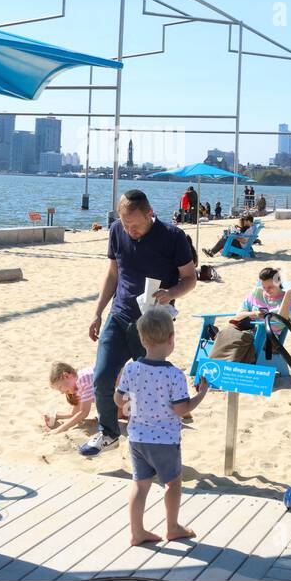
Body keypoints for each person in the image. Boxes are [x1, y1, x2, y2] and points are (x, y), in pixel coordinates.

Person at [83, 189, 196, 457]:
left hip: (154, 323)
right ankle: (109, 433)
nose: (129, 230)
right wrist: (98, 312)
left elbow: (190, 278)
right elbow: (113, 273)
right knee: (102, 377)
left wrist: (171, 293)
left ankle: (161, 443)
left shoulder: (173, 237)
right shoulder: (116, 231)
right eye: (125, 225)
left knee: (153, 388)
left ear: (150, 213)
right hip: (119, 315)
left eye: (135, 225)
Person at [115, 306, 210, 545]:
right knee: (173, 483)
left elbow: (119, 399)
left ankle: (137, 531)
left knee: (140, 484)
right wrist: (202, 394)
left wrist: (132, 406)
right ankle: (173, 527)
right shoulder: (174, 374)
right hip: (165, 440)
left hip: (136, 437)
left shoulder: (132, 368)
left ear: (142, 338)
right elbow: (182, 409)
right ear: (171, 339)